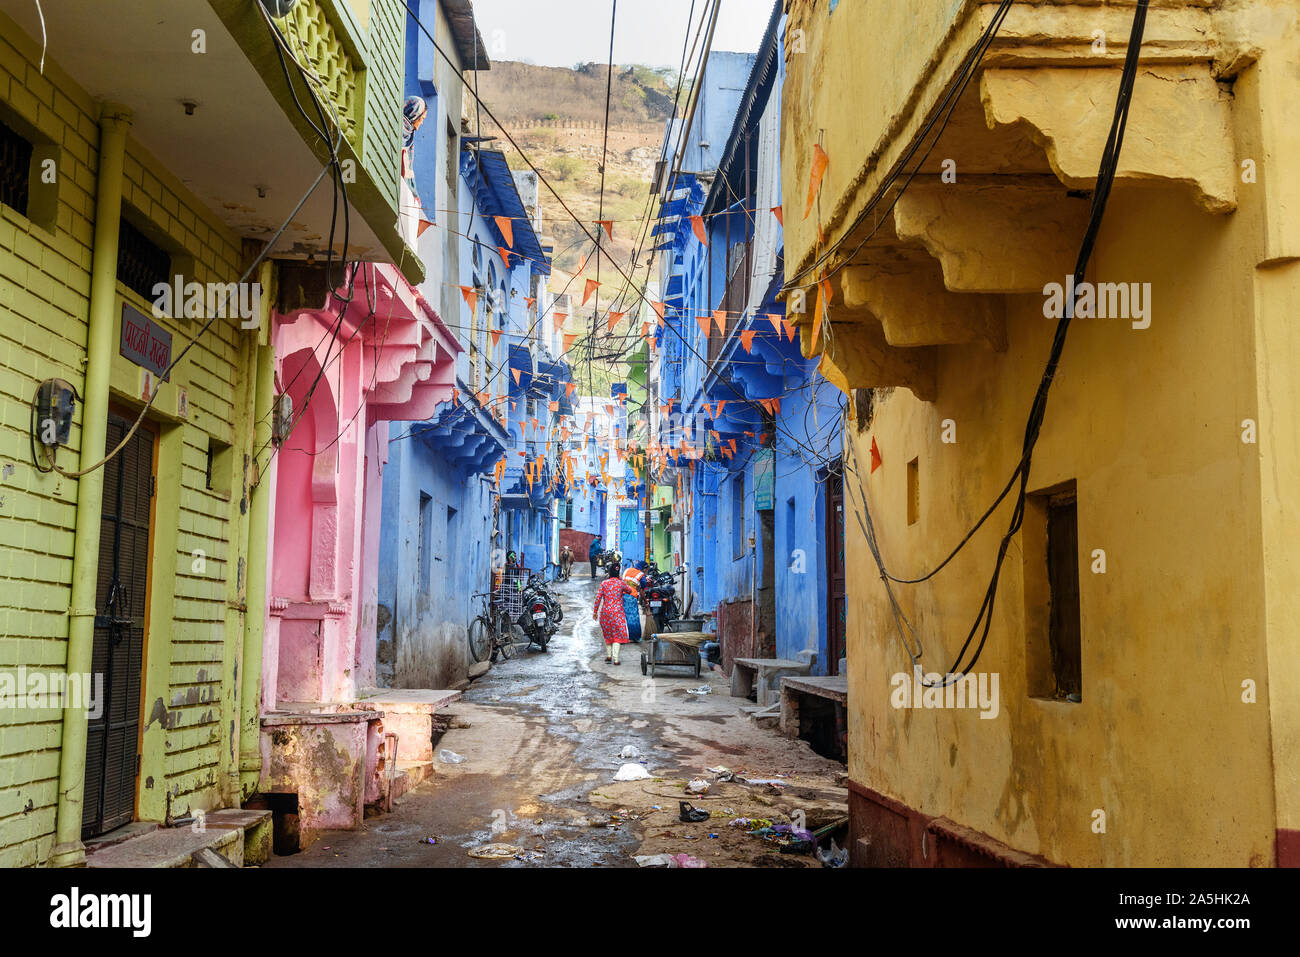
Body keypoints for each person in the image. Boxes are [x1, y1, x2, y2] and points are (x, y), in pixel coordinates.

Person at [593, 573, 637, 665]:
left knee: (608, 633)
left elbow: (598, 598)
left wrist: (595, 612)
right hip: (618, 613)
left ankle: (609, 656)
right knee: (617, 636)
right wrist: (622, 582)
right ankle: (616, 660)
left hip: (605, 613)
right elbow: (629, 590)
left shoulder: (604, 583)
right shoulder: (621, 583)